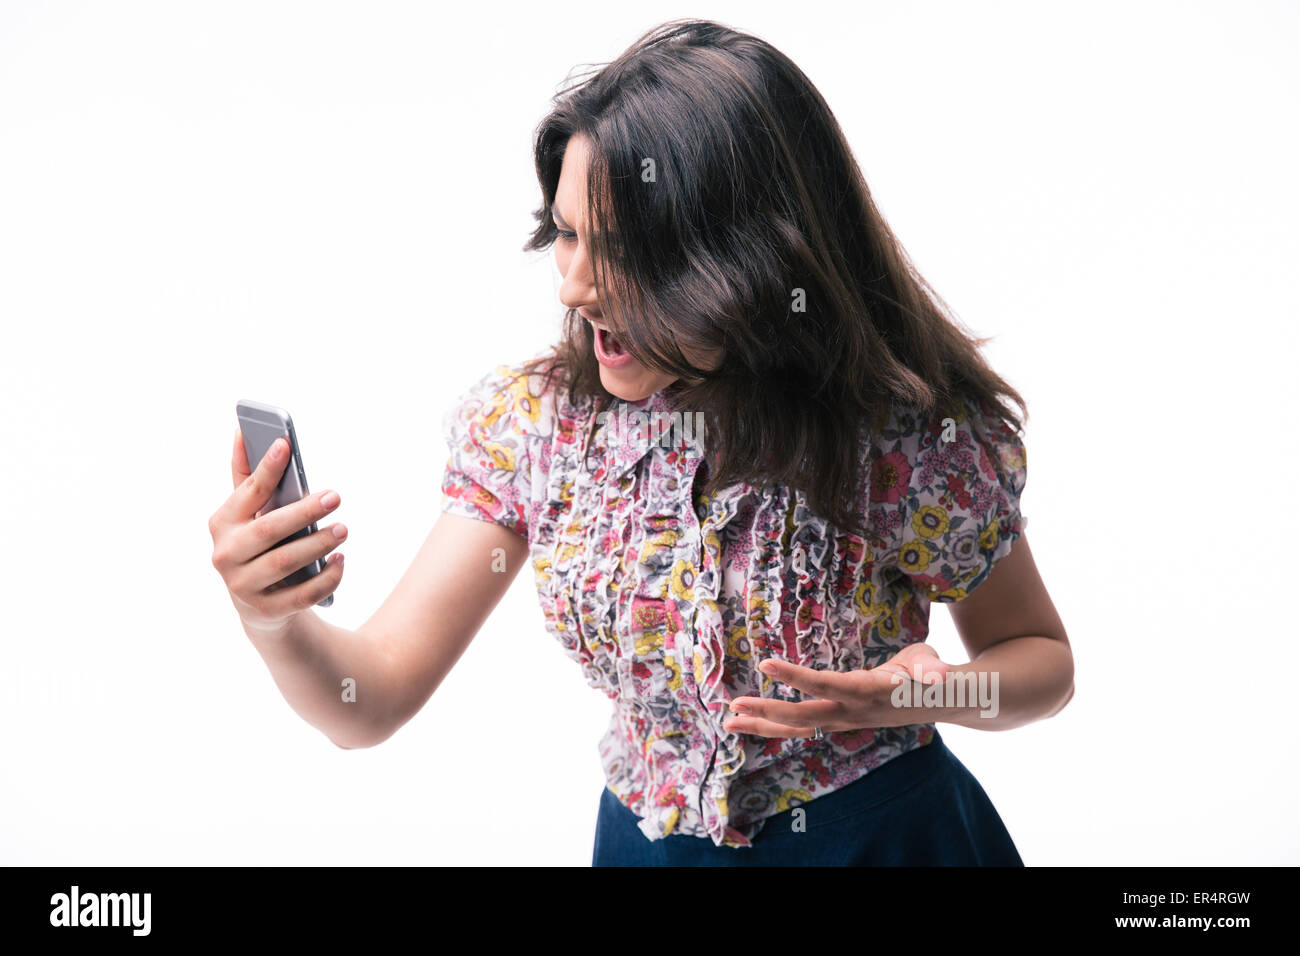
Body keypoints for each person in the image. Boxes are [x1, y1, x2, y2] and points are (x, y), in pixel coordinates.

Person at [208, 18, 1073, 866]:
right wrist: (272, 620)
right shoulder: (538, 430)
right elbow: (371, 699)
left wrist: (937, 694)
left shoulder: (898, 440)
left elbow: (1042, 663)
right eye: (568, 234)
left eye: (626, 252)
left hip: (886, 842)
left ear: (749, 259)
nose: (576, 286)